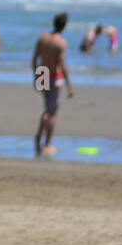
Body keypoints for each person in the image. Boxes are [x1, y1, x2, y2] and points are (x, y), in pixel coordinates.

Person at [32, 12, 74, 157]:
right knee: (52, 111)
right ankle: (47, 144)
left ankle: (38, 137)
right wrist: (70, 86)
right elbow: (62, 65)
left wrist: (36, 77)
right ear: (64, 26)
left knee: (47, 108)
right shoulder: (60, 42)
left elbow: (34, 59)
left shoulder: (43, 38)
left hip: (42, 73)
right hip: (54, 76)